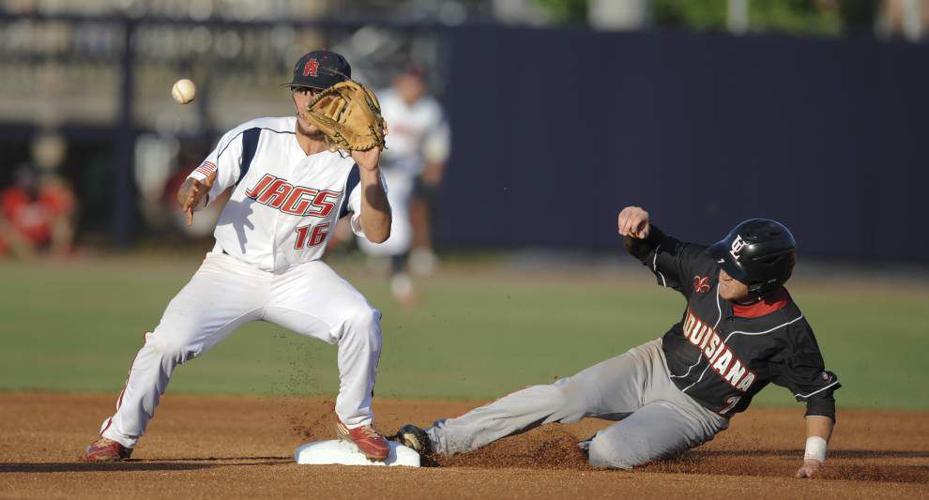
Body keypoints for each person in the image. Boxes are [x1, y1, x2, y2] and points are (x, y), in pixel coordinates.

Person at [83, 49, 393, 462]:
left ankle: (355, 419)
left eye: (318, 92)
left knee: (361, 319)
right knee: (165, 343)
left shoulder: (352, 160)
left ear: (342, 100)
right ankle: (118, 436)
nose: (306, 101)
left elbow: (378, 233)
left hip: (301, 275)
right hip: (230, 268)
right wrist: (191, 192)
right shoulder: (255, 136)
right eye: (300, 90)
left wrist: (370, 172)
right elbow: (199, 182)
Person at [396, 206, 840, 478]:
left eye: (736, 273)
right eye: (724, 262)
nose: (723, 272)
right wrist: (638, 229)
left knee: (608, 451)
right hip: (652, 364)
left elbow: (818, 398)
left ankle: (613, 446)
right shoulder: (709, 267)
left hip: (695, 412)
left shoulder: (787, 332)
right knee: (564, 396)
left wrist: (814, 458)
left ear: (764, 284)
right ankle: (440, 440)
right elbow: (655, 247)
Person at [357, 65, 450, 304]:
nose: (413, 88)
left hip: (404, 175)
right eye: (409, 82)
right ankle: (398, 280)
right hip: (374, 169)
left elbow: (437, 145)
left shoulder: (429, 111)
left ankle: (397, 277)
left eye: (418, 84)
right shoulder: (384, 102)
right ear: (400, 82)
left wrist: (434, 167)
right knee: (376, 226)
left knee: (396, 227)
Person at [0, 165, 75, 259]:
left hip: (43, 240)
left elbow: (67, 210)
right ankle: (30, 257)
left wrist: (60, 189)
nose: (28, 186)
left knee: (61, 221)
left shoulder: (46, 196)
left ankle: (59, 254)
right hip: (19, 242)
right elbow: (4, 223)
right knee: (8, 231)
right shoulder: (11, 198)